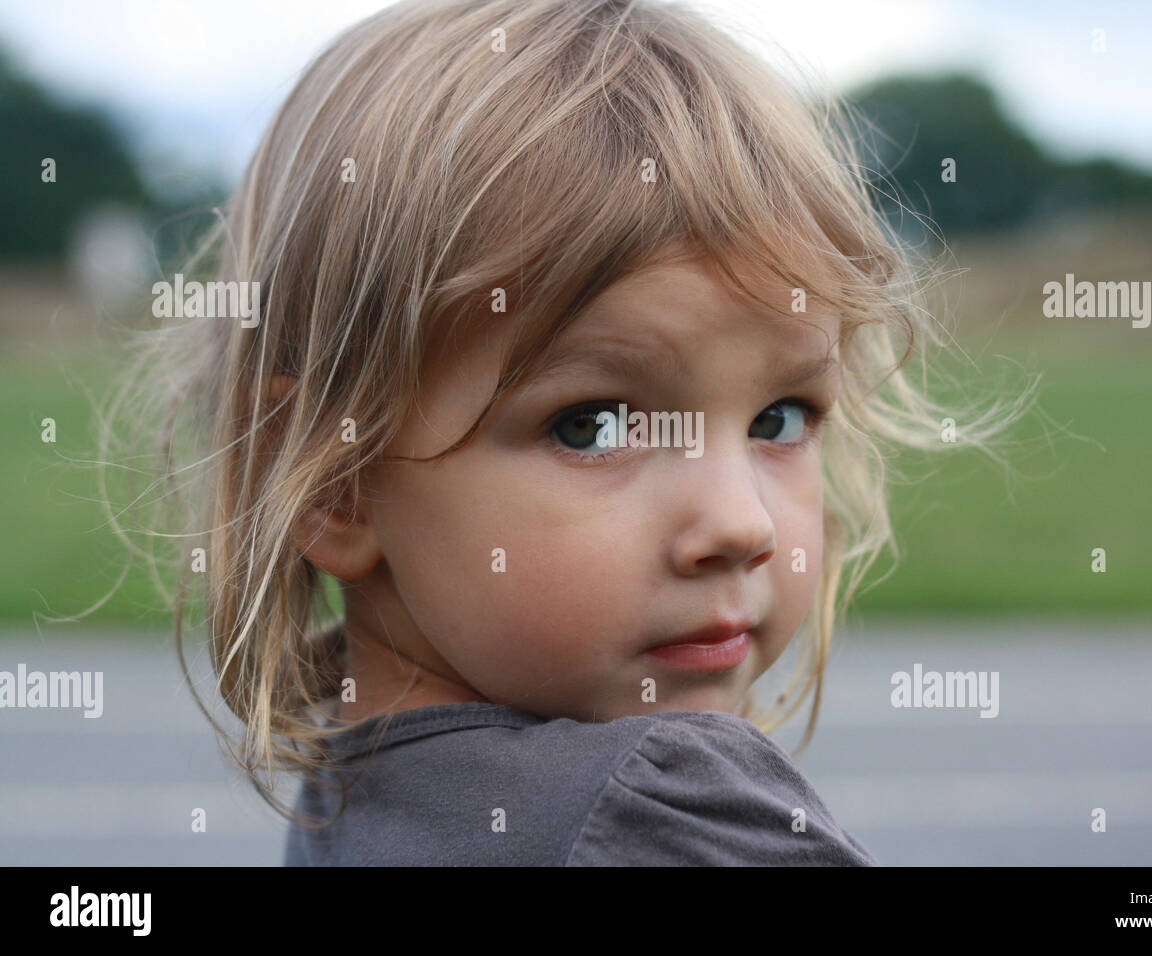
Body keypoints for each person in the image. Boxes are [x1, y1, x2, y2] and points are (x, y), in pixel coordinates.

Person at [110, 0, 1026, 865]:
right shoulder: (663, 817)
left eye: (779, 419)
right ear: (330, 484)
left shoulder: (359, 786)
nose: (742, 526)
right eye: (592, 426)